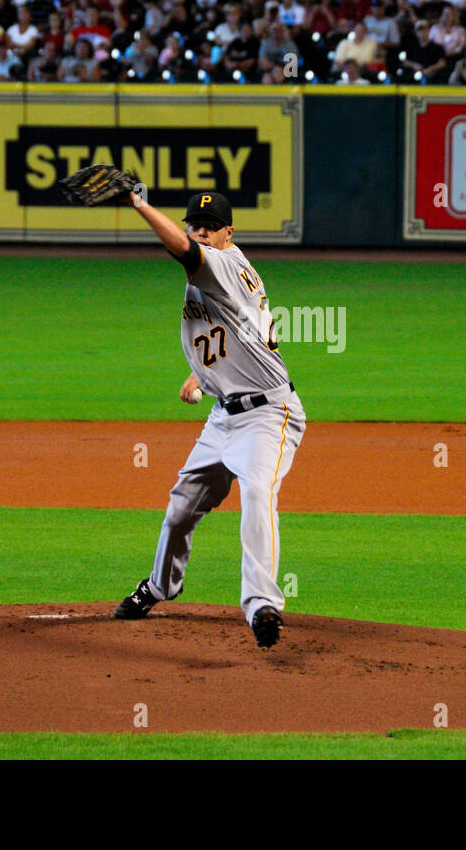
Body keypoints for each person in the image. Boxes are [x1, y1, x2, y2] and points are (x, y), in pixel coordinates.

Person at [111, 190, 306, 650]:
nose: (200, 232)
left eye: (210, 226)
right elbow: (240, 333)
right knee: (181, 507)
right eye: (195, 224)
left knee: (257, 493)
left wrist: (140, 206)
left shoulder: (220, 263)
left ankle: (261, 605)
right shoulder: (228, 271)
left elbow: (181, 248)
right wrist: (202, 375)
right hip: (224, 417)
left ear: (228, 233)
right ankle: (159, 586)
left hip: (268, 415)